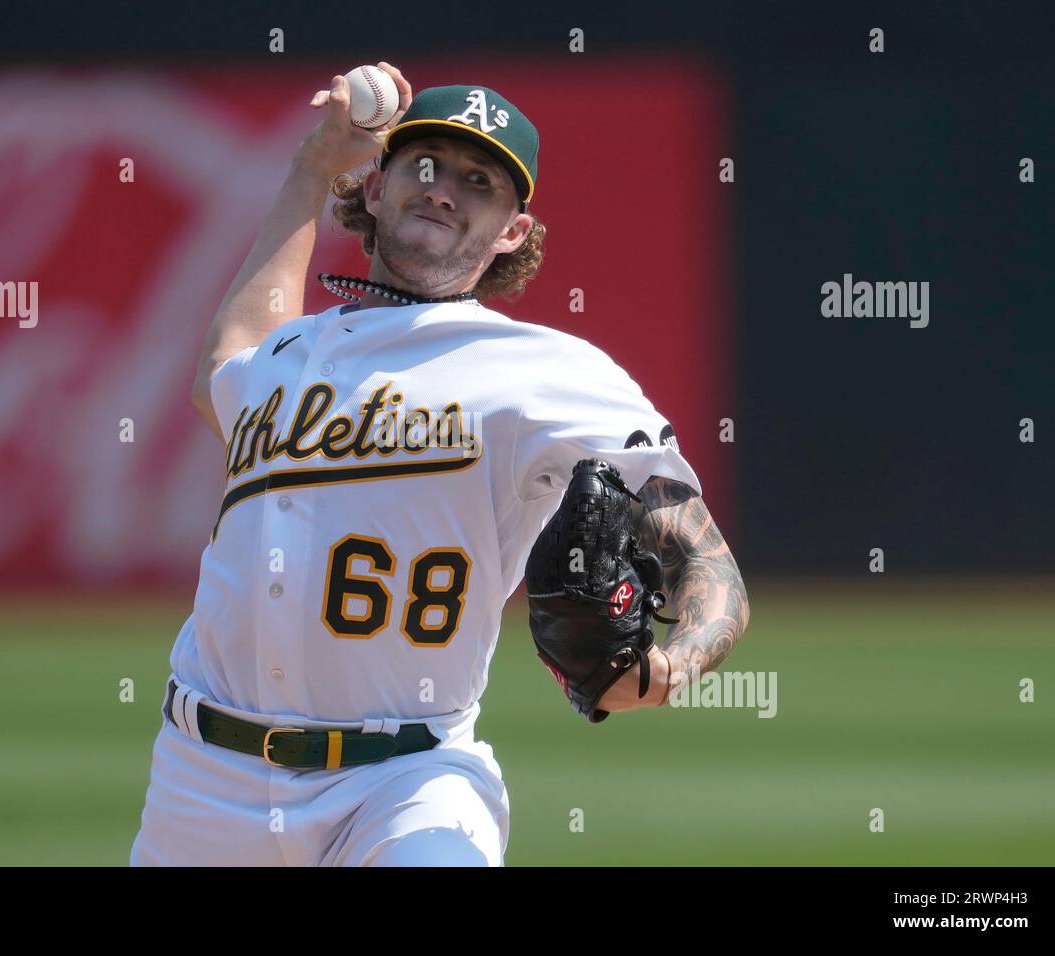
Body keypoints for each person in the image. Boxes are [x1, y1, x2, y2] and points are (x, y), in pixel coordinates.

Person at [130, 64, 750, 867]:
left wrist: (674, 663)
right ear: (377, 191)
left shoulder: (544, 371)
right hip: (201, 779)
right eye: (422, 165)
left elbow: (702, 554)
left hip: (407, 780)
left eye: (480, 182)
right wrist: (310, 168)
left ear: (511, 234)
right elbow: (228, 362)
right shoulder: (289, 354)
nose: (443, 188)